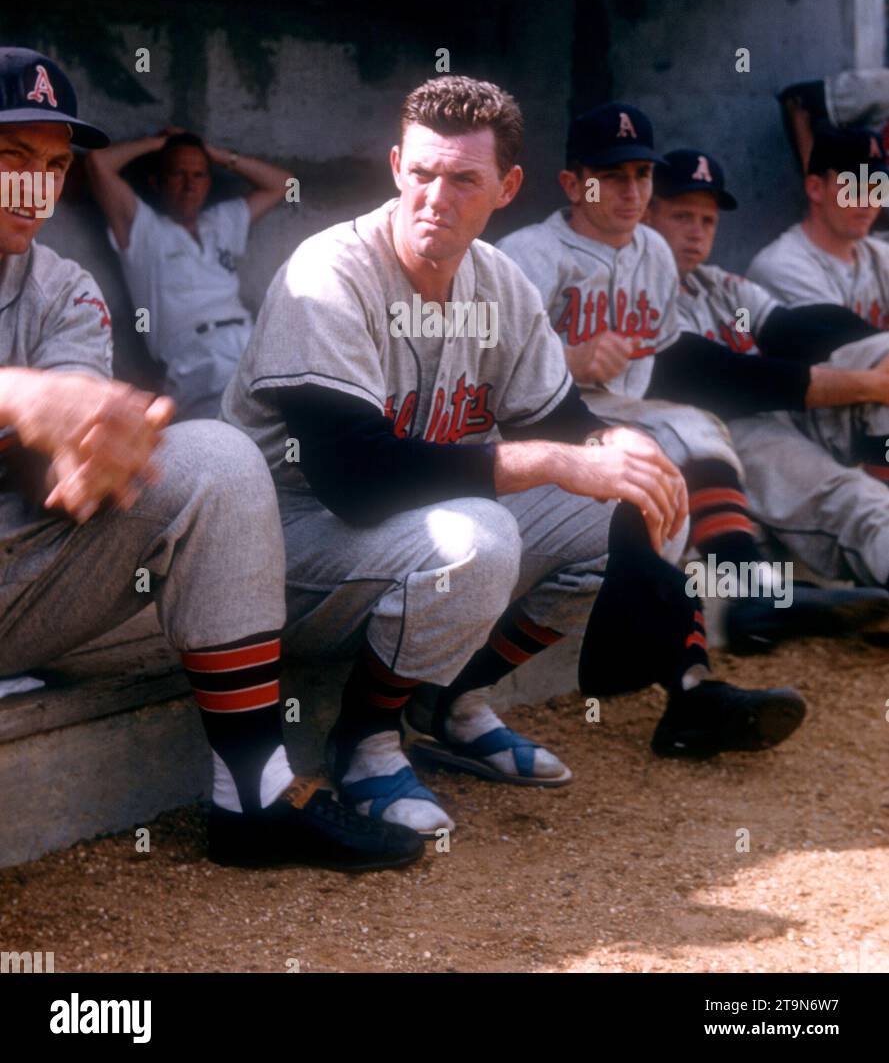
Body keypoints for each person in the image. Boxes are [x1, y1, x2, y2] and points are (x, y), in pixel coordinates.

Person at [221, 76, 806, 838]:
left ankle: (452, 700)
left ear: (506, 187)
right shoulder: (328, 271)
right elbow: (354, 479)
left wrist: (611, 442)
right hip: (285, 541)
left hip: (388, 536)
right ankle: (365, 738)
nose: (436, 197)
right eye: (423, 173)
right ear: (397, 167)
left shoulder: (497, 281)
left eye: (464, 179)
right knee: (477, 536)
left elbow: (556, 417)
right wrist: (550, 462)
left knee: (632, 483)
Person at [0, 48, 422, 874]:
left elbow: (55, 476)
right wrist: (18, 395)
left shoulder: (63, 287)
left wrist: (91, 450)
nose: (38, 187)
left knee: (220, 457)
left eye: (54, 166)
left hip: (17, 586)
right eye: (12, 161)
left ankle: (254, 797)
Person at [495, 102, 848, 652]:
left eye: (642, 175)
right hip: (531, 422)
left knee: (690, 434)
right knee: (677, 438)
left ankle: (737, 609)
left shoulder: (653, 251)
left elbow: (657, 360)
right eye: (612, 177)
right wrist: (567, 358)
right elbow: (483, 362)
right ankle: (732, 610)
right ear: (572, 183)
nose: (633, 191)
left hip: (615, 412)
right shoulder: (527, 254)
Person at [647, 139, 889, 606]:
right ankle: (763, 604)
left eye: (708, 220)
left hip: (765, 425)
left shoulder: (716, 284)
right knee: (857, 501)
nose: (696, 232)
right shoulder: (641, 291)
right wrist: (867, 382)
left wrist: (877, 357)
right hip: (714, 435)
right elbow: (719, 379)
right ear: (647, 215)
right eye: (682, 216)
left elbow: (801, 330)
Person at [85, 126, 293, 419]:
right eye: (177, 174)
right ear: (156, 181)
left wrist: (215, 154)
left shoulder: (220, 221)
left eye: (198, 175)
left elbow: (285, 183)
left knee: (292, 422)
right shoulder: (144, 228)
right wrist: (158, 143)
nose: (189, 185)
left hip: (250, 341)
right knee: (227, 440)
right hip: (196, 359)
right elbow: (97, 163)